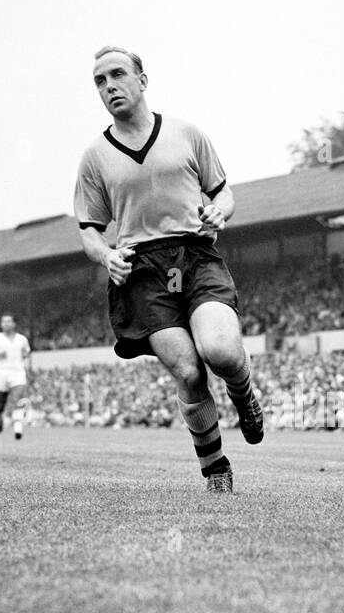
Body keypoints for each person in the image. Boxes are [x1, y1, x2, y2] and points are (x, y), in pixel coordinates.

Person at [73, 46, 262, 494]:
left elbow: (224, 194)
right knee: (188, 372)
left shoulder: (185, 133)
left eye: (117, 75)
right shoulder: (95, 157)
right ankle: (216, 469)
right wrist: (106, 255)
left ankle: (245, 395)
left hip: (195, 256)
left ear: (142, 79)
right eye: (100, 81)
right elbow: (89, 229)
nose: (109, 86)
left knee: (221, 353)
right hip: (143, 271)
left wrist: (220, 213)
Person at [0, 313, 32, 439]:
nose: (6, 324)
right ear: (1, 324)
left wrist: (23, 365)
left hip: (17, 372)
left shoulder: (22, 339)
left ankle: (18, 427)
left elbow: (27, 352)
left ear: (14, 324)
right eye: (4, 322)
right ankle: (0, 418)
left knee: (17, 399)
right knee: (0, 403)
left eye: (9, 321)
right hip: (1, 372)